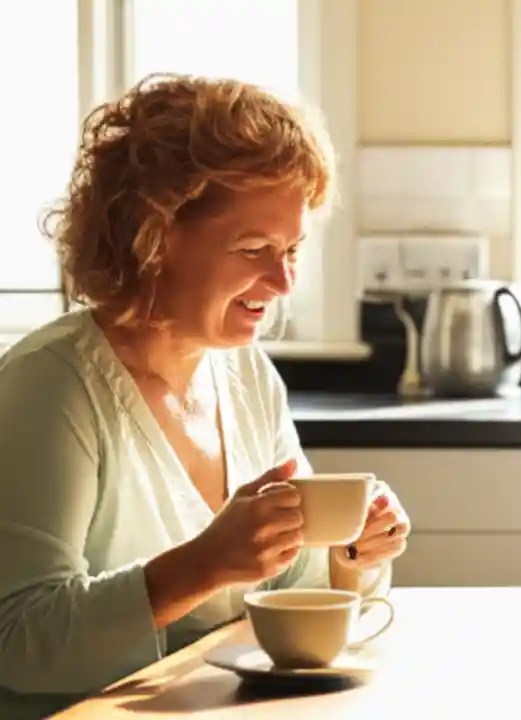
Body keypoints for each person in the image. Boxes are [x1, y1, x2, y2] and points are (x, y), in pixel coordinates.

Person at [0, 74, 410, 719]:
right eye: (254, 249)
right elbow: (18, 643)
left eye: (292, 250)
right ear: (150, 239)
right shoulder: (51, 387)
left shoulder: (246, 375)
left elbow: (288, 586)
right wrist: (202, 566)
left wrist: (348, 554)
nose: (281, 281)